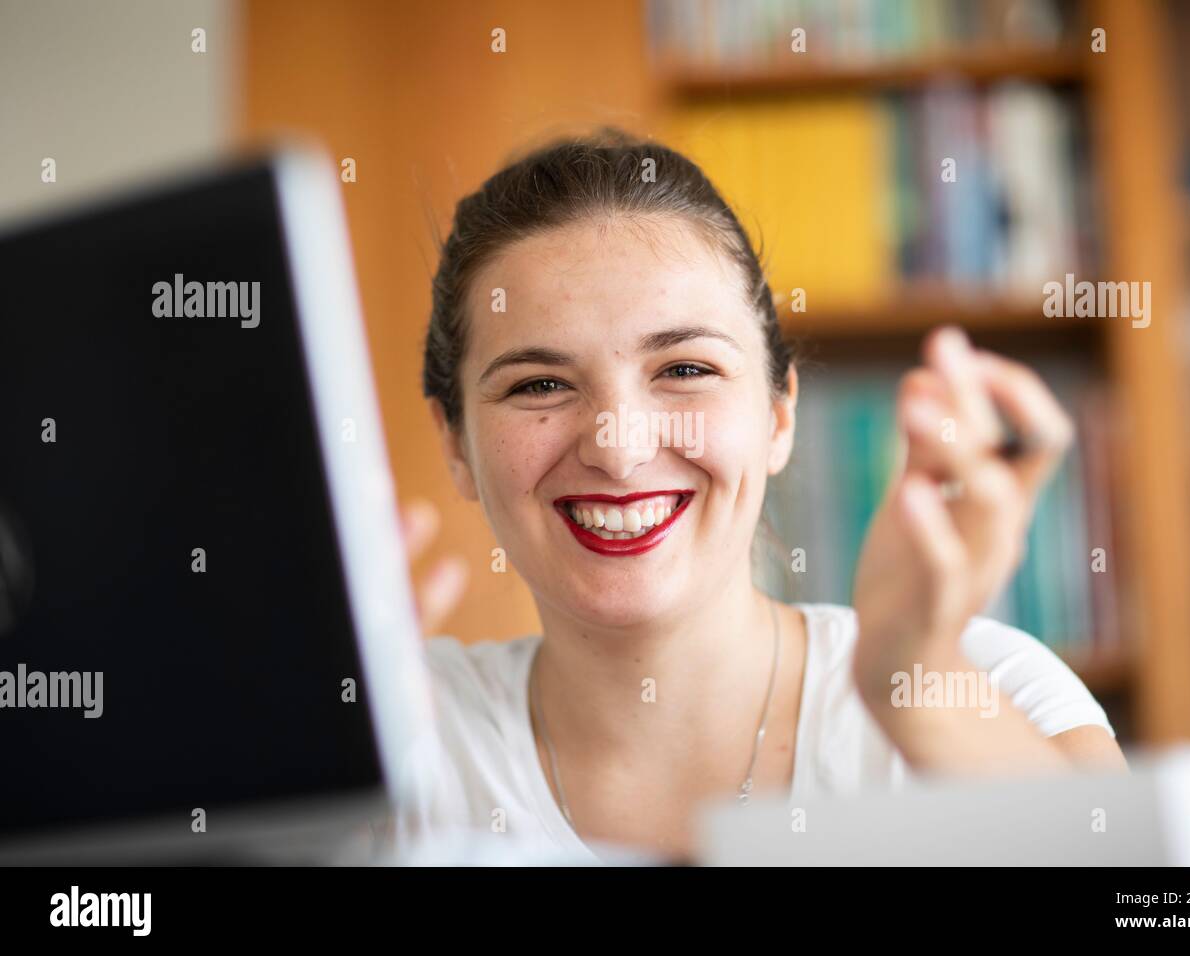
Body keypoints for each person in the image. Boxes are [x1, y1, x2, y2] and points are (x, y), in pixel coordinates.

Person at [398, 128, 1127, 865]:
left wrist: (918, 688)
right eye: (540, 385)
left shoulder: (987, 690)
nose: (618, 450)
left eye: (684, 369)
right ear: (456, 441)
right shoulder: (401, 731)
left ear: (779, 415)